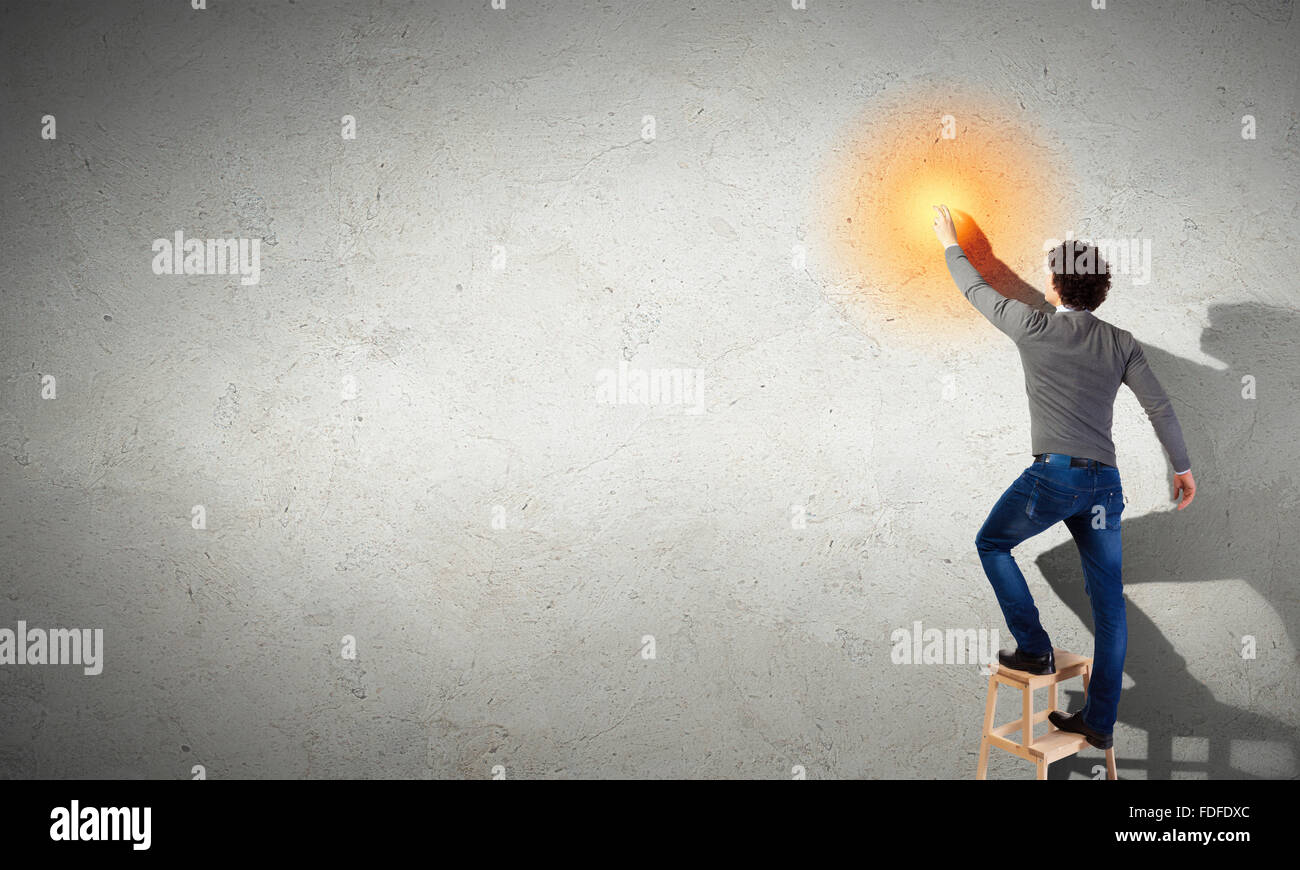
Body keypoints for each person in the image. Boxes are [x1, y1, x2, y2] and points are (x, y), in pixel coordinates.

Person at [930, 204, 1196, 750]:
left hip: (1054, 480)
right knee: (1110, 608)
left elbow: (975, 289)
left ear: (1053, 285)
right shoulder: (1122, 342)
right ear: (1102, 292)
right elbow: (1161, 408)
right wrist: (1183, 468)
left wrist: (949, 242)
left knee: (991, 543)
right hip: (1104, 486)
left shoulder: (1031, 326)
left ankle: (1033, 647)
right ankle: (1099, 724)